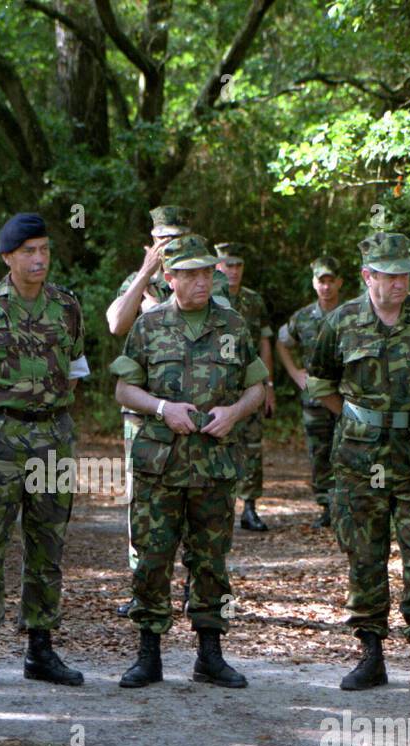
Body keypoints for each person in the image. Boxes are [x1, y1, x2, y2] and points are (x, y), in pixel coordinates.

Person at [307, 232, 410, 698]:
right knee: (364, 554)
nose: (400, 283)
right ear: (367, 276)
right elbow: (320, 383)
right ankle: (370, 654)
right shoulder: (341, 320)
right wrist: (360, 420)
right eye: (391, 275)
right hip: (360, 459)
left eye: (406, 275)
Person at [111, 235, 268, 688]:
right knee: (152, 558)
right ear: (170, 277)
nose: (202, 281)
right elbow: (124, 389)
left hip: (214, 465)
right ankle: (148, 655)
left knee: (211, 561)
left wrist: (234, 412)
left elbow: (257, 387)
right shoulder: (149, 325)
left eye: (207, 273)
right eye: (191, 274)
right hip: (160, 463)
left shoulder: (233, 324)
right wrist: (162, 408)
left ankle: (210, 655)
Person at [0, 212, 89, 689]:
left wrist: (46, 411)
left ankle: (40, 650)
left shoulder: (66, 306)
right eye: (29, 251)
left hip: (52, 438)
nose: (39, 259)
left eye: (44, 250)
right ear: (8, 257)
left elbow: (74, 373)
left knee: (48, 543)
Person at [105, 206, 228, 617]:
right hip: (145, 416)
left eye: (176, 240)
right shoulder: (137, 280)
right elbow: (116, 324)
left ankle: (198, 588)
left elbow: (219, 323)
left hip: (197, 414)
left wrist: (160, 307)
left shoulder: (209, 280)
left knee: (201, 503)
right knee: (143, 503)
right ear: (151, 243)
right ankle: (144, 589)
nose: (168, 247)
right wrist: (144, 276)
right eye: (162, 241)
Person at [276, 256, 343, 528]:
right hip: (315, 399)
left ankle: (347, 505)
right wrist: (294, 373)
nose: (326, 287)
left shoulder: (352, 314)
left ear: (339, 282)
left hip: (347, 397)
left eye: (330, 281)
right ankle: (326, 505)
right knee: (320, 452)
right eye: (321, 281)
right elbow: (282, 342)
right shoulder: (303, 317)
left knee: (350, 450)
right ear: (314, 284)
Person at [214, 242, 275, 531]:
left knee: (251, 446)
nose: (234, 271)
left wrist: (268, 385)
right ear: (218, 266)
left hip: (249, 385)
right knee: (216, 445)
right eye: (229, 265)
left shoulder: (253, 300)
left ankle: (250, 507)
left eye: (238, 265)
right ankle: (217, 507)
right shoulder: (209, 297)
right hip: (216, 387)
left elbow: (264, 342)